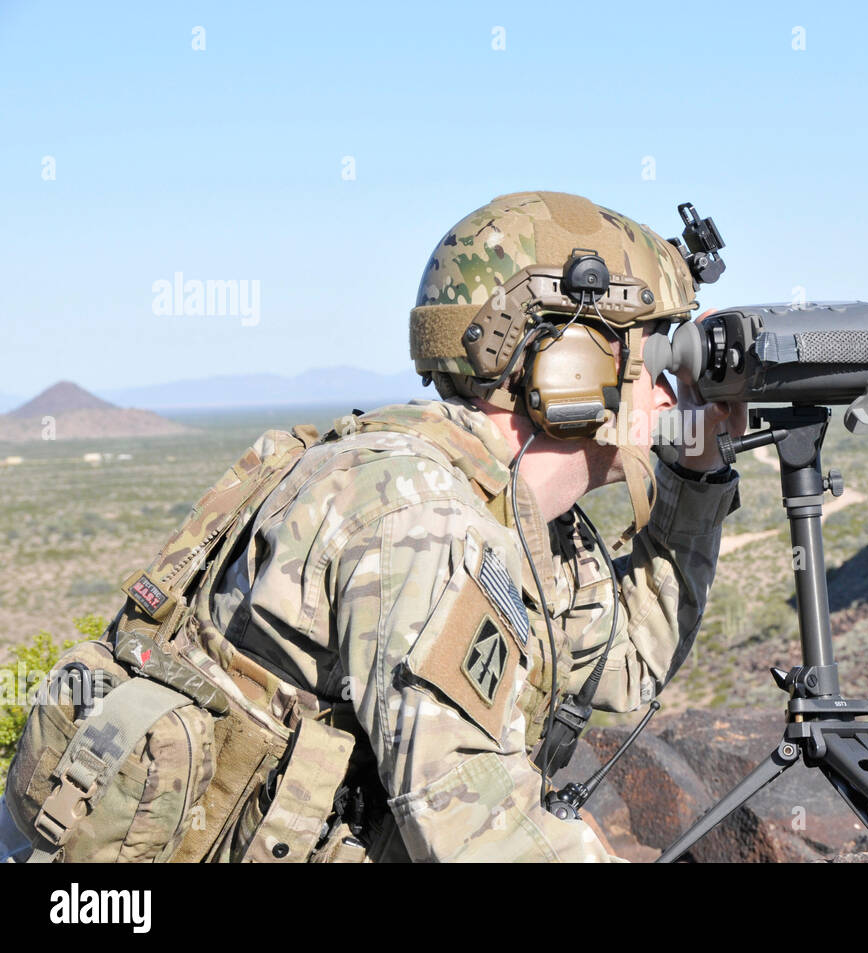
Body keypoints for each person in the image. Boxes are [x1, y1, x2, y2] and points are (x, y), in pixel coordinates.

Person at [202, 191, 745, 861]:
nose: (670, 392)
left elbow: (628, 665)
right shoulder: (421, 519)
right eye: (658, 355)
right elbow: (487, 841)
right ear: (567, 363)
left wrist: (699, 470)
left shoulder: (519, 515)